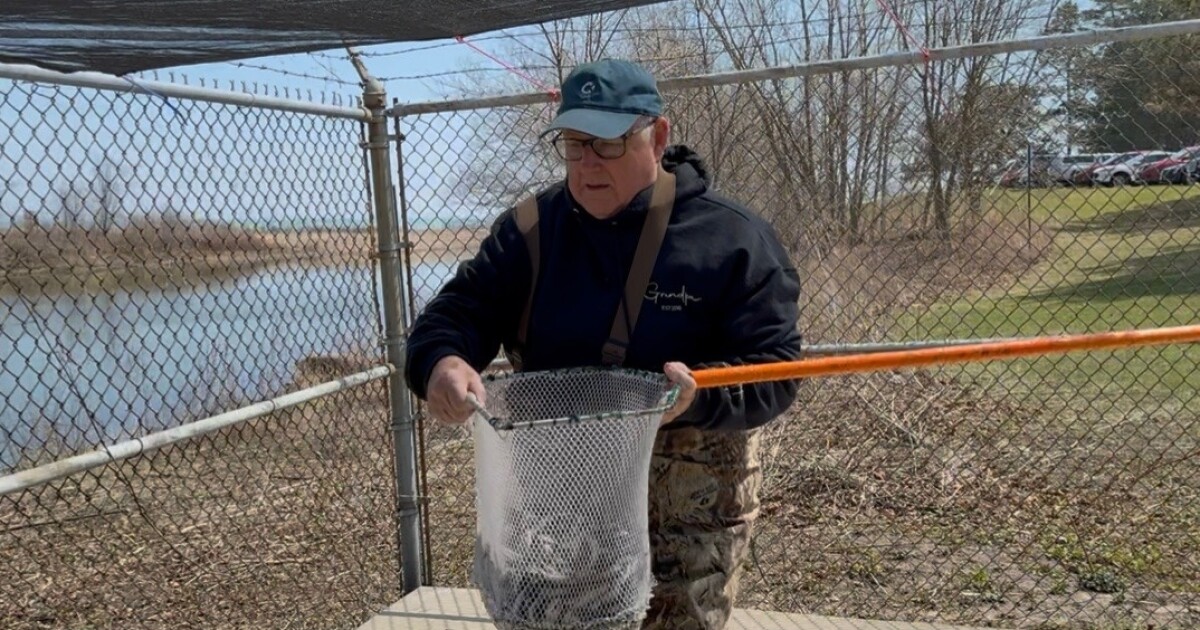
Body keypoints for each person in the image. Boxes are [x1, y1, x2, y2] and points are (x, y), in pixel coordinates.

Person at [404, 58, 803, 630]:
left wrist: (701, 398)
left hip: (688, 500)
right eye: (573, 143)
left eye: (608, 143)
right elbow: (457, 311)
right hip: (558, 498)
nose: (588, 162)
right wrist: (442, 361)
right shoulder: (529, 231)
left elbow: (776, 370)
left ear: (657, 136)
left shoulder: (733, 240)